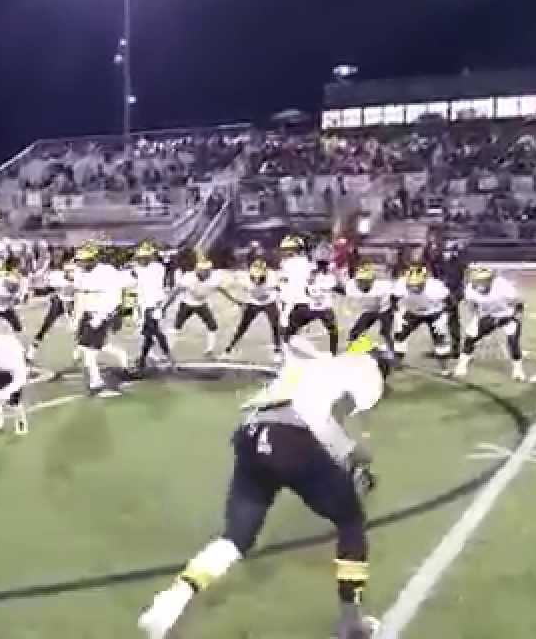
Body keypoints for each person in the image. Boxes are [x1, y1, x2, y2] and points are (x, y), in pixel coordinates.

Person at [138, 335, 390, 639]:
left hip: (252, 433)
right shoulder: (365, 374)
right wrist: (351, 454)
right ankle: (352, 624)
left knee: (235, 538)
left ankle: (171, 601)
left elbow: (295, 346)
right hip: (290, 440)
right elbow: (318, 419)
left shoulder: (318, 363)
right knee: (350, 520)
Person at [72, 243, 127, 395]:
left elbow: (114, 297)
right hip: (88, 313)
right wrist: (76, 317)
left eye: (85, 260)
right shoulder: (80, 273)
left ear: (93, 259)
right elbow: (81, 295)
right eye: (80, 260)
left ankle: (96, 381)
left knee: (89, 351)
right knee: (86, 347)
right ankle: (120, 356)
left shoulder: (107, 272)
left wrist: (102, 317)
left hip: (101, 314)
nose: (81, 263)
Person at [453, 266, 525, 380]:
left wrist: (514, 317)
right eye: (477, 281)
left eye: (483, 281)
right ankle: (462, 365)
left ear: (491, 280)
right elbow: (473, 306)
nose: (480, 284)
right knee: (470, 338)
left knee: (513, 341)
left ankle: (518, 369)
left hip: (507, 315)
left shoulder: (505, 288)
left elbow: (519, 304)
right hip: (487, 315)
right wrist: (478, 319)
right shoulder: (470, 290)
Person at [168, 256, 233, 357]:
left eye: (207, 271)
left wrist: (234, 300)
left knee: (213, 326)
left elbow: (222, 289)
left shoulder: (214, 279)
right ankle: (168, 349)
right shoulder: (188, 277)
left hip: (201, 304)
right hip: (187, 304)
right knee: (176, 327)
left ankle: (209, 350)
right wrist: (164, 306)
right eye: (203, 271)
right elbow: (175, 292)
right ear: (197, 270)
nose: (205, 274)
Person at [391, 264, 452, 372]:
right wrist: (398, 315)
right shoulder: (400, 285)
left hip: (434, 312)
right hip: (413, 312)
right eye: (411, 285)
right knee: (400, 335)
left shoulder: (436, 287)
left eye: (418, 285)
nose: (415, 288)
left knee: (439, 338)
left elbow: (450, 303)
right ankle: (396, 362)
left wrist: (443, 318)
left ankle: (445, 368)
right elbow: (393, 300)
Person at [223, 259, 283, 361]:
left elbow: (282, 288)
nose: (256, 281)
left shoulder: (272, 278)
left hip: (269, 302)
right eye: (254, 278)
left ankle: (277, 350)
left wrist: (283, 302)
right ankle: (229, 349)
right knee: (243, 326)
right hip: (254, 303)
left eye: (260, 278)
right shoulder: (245, 280)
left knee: (275, 325)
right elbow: (233, 286)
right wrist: (238, 302)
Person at [132, 241, 174, 371]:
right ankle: (144, 359)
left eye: (145, 257)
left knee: (154, 331)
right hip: (142, 305)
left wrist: (159, 305)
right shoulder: (136, 269)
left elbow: (156, 286)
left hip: (154, 305)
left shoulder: (157, 268)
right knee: (148, 335)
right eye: (140, 258)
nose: (142, 260)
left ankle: (168, 356)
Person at [27, 258, 76, 362]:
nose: (71, 274)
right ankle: (32, 350)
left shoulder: (80, 278)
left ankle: (78, 349)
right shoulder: (58, 278)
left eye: (73, 271)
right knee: (46, 325)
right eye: (69, 272)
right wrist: (36, 290)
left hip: (73, 303)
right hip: (59, 302)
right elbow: (47, 289)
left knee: (77, 327)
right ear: (64, 272)